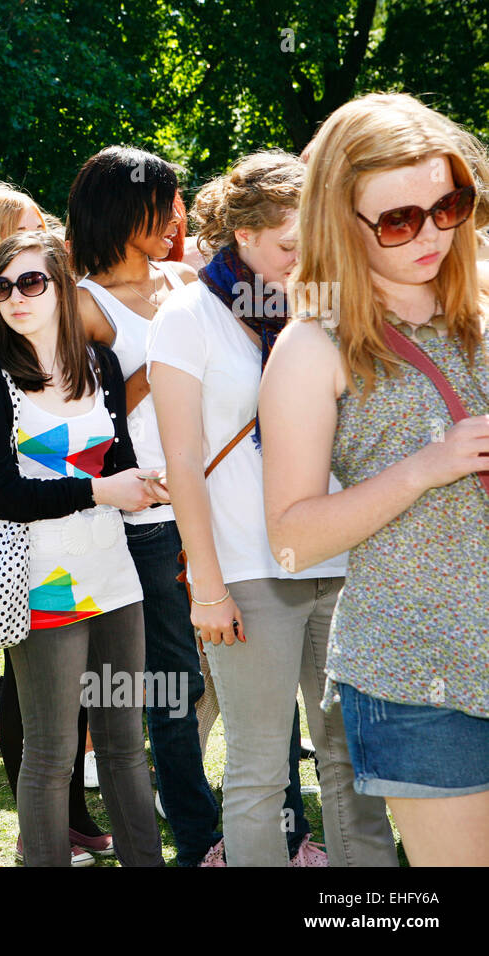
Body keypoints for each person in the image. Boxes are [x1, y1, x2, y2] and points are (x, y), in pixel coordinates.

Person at [152, 150, 399, 867]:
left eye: (313, 243)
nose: (304, 260)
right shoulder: (188, 315)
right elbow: (186, 469)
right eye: (291, 245)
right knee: (261, 770)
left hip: (341, 558)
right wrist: (207, 588)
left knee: (350, 760)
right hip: (247, 570)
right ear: (244, 233)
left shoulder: (325, 309)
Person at [262, 93, 489, 866]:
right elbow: (290, 540)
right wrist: (428, 466)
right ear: (339, 218)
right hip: (418, 677)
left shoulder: (483, 300)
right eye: (399, 220)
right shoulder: (312, 347)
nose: (432, 233)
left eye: (450, 203)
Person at [0, 229, 166, 866]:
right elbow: (2, 495)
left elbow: (120, 461)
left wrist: (149, 487)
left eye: (31, 282)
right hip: (40, 580)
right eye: (2, 287)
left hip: (113, 572)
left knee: (127, 745)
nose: (15, 298)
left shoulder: (99, 365)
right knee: (51, 755)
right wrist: (102, 490)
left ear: (60, 285)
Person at [0, 182, 100, 862]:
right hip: (5, 515)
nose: (50, 231)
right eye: (34, 224)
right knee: (23, 677)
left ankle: (76, 814)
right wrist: (11, 436)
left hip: (68, 508)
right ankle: (45, 822)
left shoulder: (59, 302)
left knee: (75, 672)